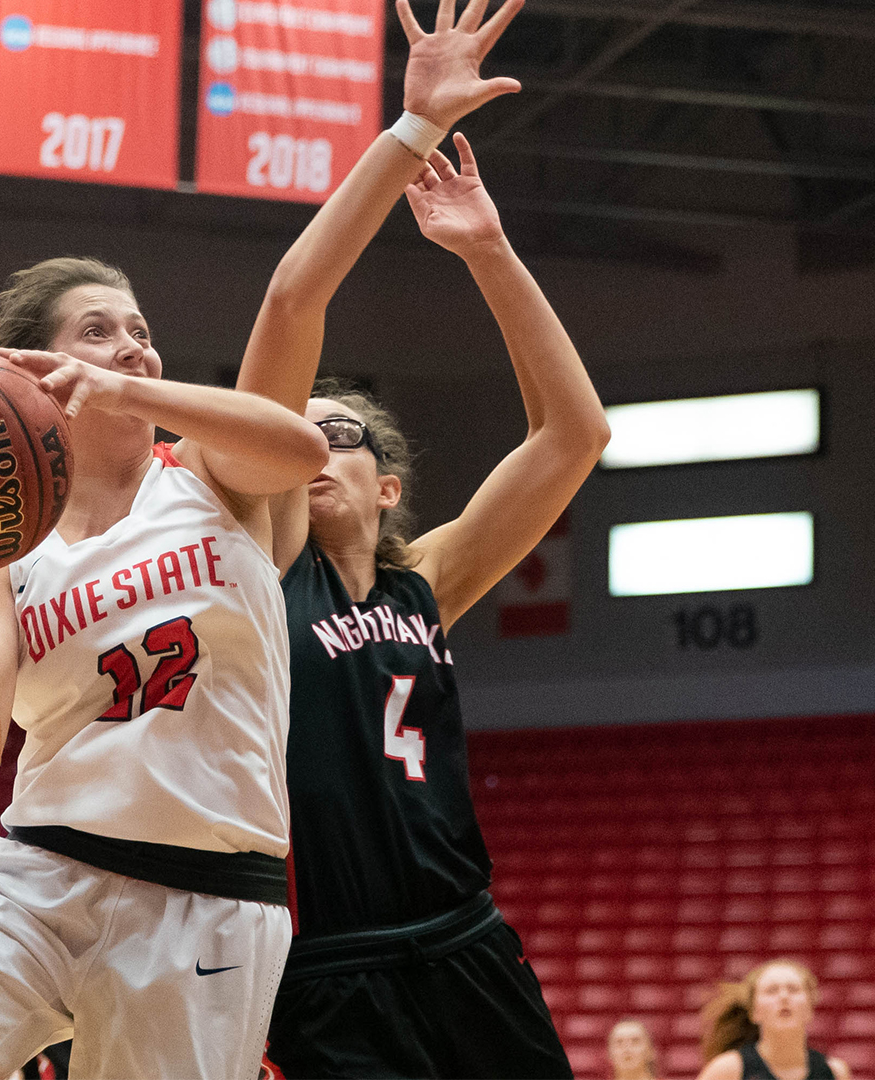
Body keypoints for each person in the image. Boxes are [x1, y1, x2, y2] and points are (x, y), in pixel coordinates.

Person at [0, 251, 329, 1080]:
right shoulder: (10, 559)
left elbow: (299, 448)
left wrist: (127, 391)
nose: (133, 346)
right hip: (40, 870)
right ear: (35, 375)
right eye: (98, 331)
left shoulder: (204, 475)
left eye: (140, 332)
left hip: (207, 898)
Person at [226, 0, 600, 1075]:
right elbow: (293, 301)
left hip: (467, 940)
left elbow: (575, 435)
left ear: (387, 487)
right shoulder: (265, 574)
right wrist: (409, 136)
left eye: (333, 435)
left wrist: (488, 251)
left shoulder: (427, 581)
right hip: (329, 966)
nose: (307, 441)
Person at [695, 960, 850, 1080]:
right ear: (754, 1012)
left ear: (810, 1008)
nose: (784, 997)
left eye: (793, 989)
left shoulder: (835, 1071)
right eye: (772, 991)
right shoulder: (727, 1070)